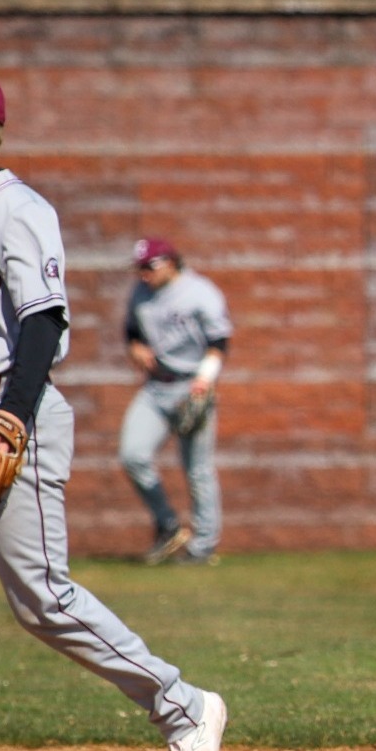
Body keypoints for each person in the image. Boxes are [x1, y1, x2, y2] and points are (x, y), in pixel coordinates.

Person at [0, 63, 227, 751]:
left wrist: (11, 414)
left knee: (40, 598)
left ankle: (183, 707)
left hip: (13, 416)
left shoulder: (18, 210)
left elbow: (42, 320)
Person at [119, 236, 230, 565]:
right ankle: (168, 526)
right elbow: (131, 331)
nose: (144, 274)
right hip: (155, 388)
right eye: (139, 268)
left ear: (169, 262)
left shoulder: (200, 291)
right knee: (133, 454)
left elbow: (219, 340)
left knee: (197, 470)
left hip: (190, 386)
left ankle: (203, 546)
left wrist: (205, 380)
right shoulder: (141, 292)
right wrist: (135, 346)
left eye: (149, 266)